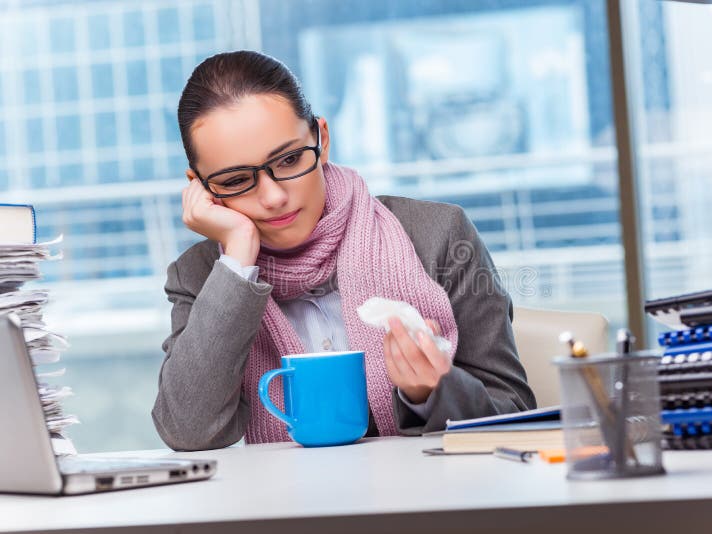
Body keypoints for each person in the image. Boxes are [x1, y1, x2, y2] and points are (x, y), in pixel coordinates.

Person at [151, 50, 536, 451]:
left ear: (323, 139)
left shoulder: (440, 236)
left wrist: (431, 392)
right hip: (283, 507)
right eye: (234, 181)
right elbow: (187, 430)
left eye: (288, 159)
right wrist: (237, 262)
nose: (273, 197)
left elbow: (515, 413)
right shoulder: (203, 275)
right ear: (200, 187)